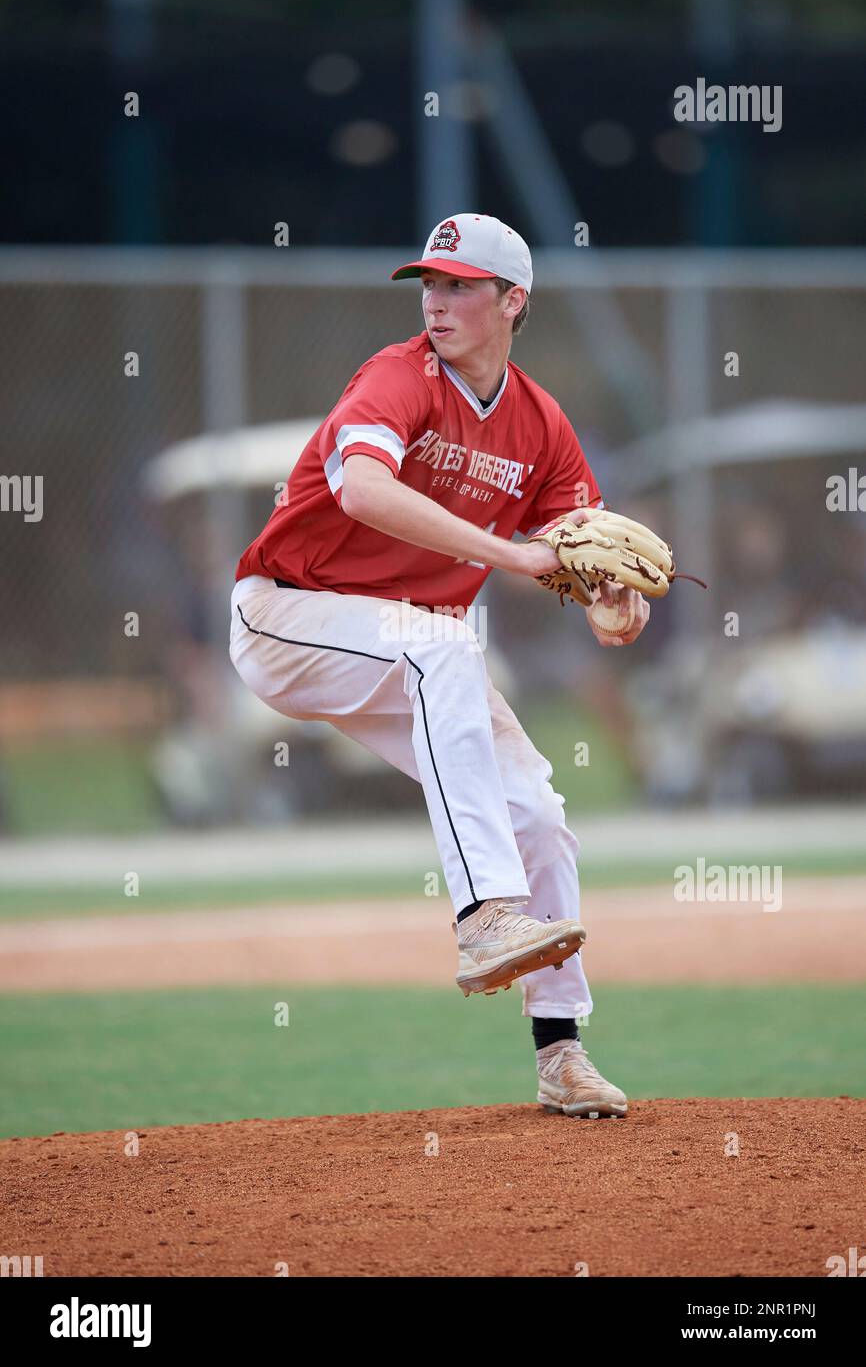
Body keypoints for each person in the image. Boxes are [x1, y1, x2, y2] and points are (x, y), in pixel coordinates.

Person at [230, 214, 649, 1119]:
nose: (437, 299)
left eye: (461, 285)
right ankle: (484, 918)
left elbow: (578, 548)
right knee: (445, 644)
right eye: (430, 281)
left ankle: (560, 1051)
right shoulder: (398, 377)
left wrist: (610, 600)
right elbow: (362, 489)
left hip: (406, 650)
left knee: (537, 813)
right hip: (287, 618)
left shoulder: (540, 424)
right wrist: (514, 558)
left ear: (513, 301)